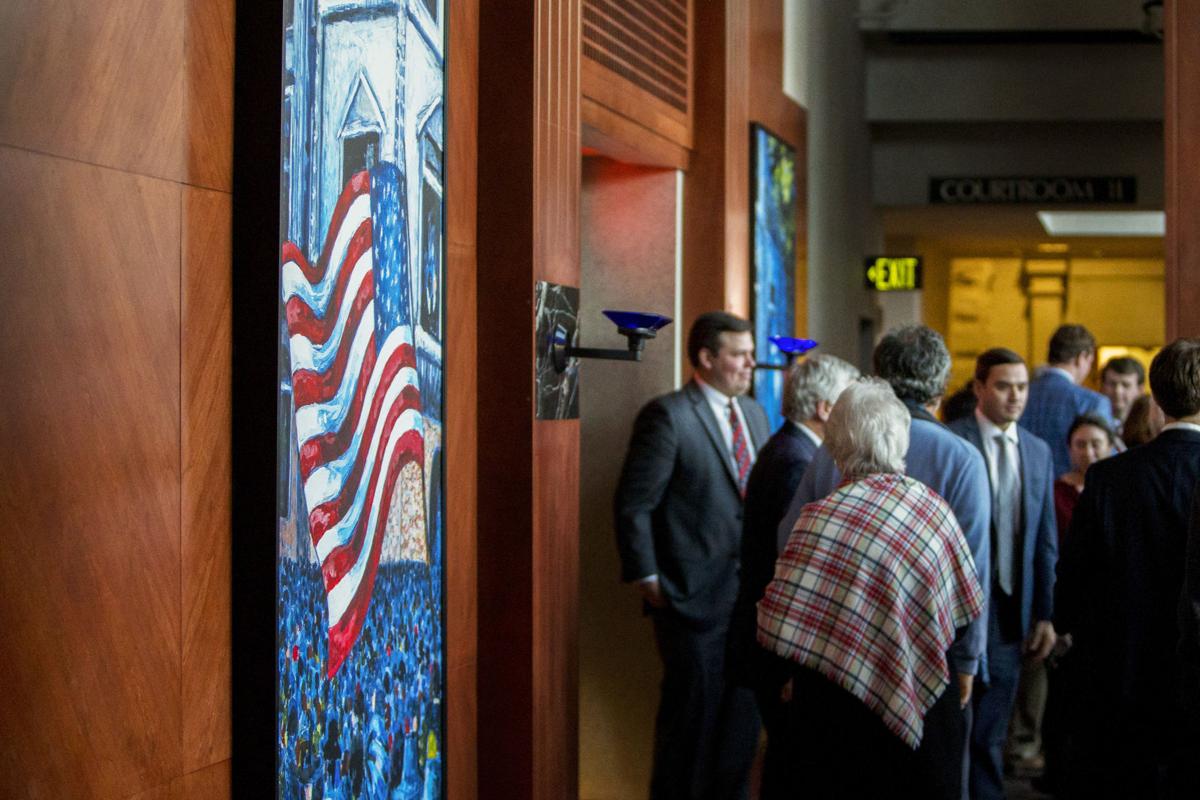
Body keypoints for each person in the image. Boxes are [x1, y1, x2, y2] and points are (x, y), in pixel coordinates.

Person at [777, 325, 990, 793]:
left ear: (837, 443)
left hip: (831, 669)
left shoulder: (820, 510)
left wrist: (795, 661)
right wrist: (966, 661)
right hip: (924, 663)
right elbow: (970, 579)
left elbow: (785, 563)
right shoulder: (937, 498)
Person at [614, 311, 770, 800]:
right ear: (706, 358)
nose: (751, 365)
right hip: (690, 602)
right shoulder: (669, 415)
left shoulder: (755, 414)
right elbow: (634, 504)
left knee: (740, 735)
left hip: (750, 606)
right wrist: (650, 580)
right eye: (740, 355)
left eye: (751, 353)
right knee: (690, 735)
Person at [1055, 337, 1200, 799]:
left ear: (1154, 398)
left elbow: (1075, 575)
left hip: (1120, 669)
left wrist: (1068, 628)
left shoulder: (1109, 477)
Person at [726, 353, 859, 799]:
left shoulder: (792, 448)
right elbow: (791, 566)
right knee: (792, 765)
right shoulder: (797, 461)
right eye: (846, 401)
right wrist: (793, 662)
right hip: (779, 649)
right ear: (825, 409)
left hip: (771, 641)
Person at [947, 348, 1058, 800]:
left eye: (1021, 386)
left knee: (992, 732)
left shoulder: (1036, 449)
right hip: (960, 608)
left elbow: (1045, 541)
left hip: (1013, 610)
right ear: (979, 388)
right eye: (1003, 386)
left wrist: (1046, 614)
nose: (1014, 396)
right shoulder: (953, 441)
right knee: (958, 728)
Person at [1036, 413, 1115, 797]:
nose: (1089, 451)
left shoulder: (1117, 486)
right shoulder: (1056, 492)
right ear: (1069, 448)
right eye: (1081, 444)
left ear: (1111, 444)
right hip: (1065, 602)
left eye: (1096, 443)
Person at [1021, 324, 1114, 477]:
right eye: (1090, 362)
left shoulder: (1021, 395)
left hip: (1026, 488)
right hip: (1073, 494)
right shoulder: (1093, 402)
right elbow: (1106, 459)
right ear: (1081, 358)